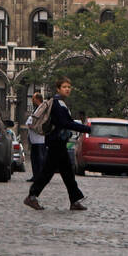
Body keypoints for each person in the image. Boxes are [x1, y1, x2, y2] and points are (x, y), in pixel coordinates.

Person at [25, 77, 90, 211]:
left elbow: (67, 122)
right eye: (64, 87)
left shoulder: (62, 103)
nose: (67, 89)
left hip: (59, 143)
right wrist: (86, 129)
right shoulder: (57, 104)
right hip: (56, 143)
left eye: (69, 87)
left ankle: (74, 200)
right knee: (49, 172)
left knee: (67, 173)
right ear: (58, 89)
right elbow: (64, 123)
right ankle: (32, 196)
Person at [25, 92, 46, 182]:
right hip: (34, 139)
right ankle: (35, 175)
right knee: (34, 158)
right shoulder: (36, 108)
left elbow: (39, 120)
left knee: (39, 158)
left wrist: (32, 125)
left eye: (33, 99)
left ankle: (40, 176)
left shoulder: (42, 108)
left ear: (37, 99)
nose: (32, 100)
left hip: (39, 138)